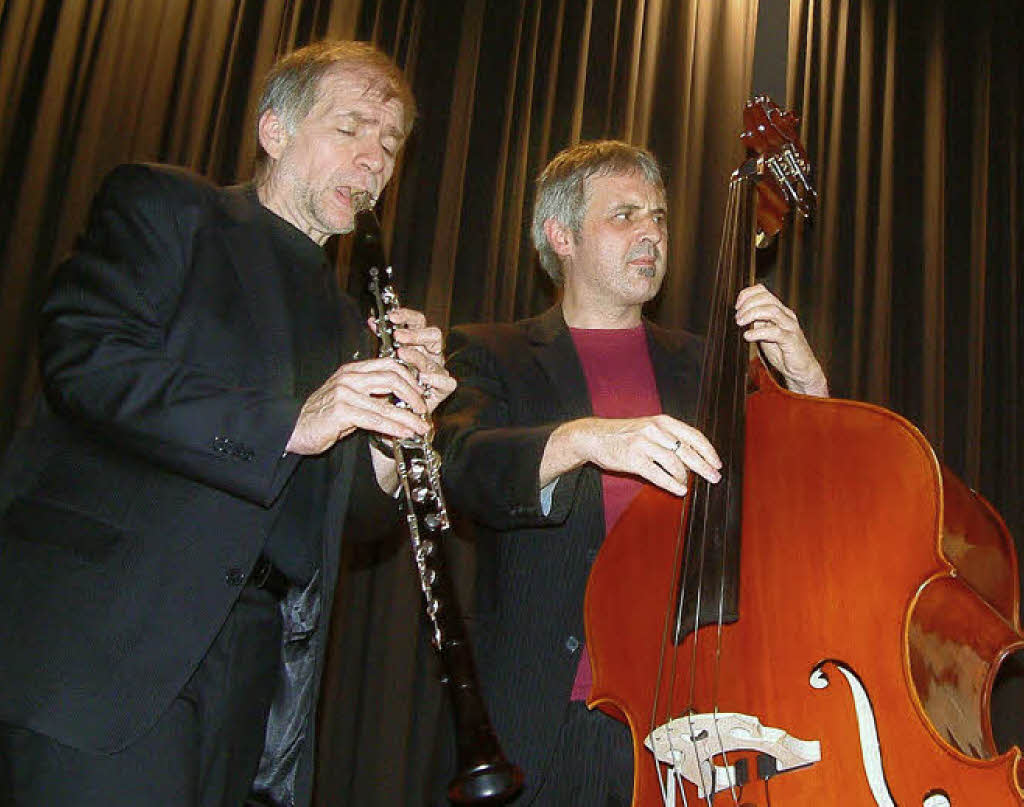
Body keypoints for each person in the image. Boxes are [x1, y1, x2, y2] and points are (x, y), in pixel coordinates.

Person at [0, 40, 454, 807]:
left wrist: (394, 444)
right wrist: (291, 421)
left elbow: (340, 518)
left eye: (390, 142)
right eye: (351, 127)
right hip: (111, 639)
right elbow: (87, 359)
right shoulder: (170, 208)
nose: (375, 157)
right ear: (274, 130)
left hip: (249, 668)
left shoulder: (352, 321)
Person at [430, 140, 828, 805]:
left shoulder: (708, 366)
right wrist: (586, 439)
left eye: (660, 217)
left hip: (688, 720)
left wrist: (806, 379)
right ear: (561, 235)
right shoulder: (493, 351)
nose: (652, 233)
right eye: (625, 215)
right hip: (545, 716)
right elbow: (463, 468)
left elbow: (810, 493)